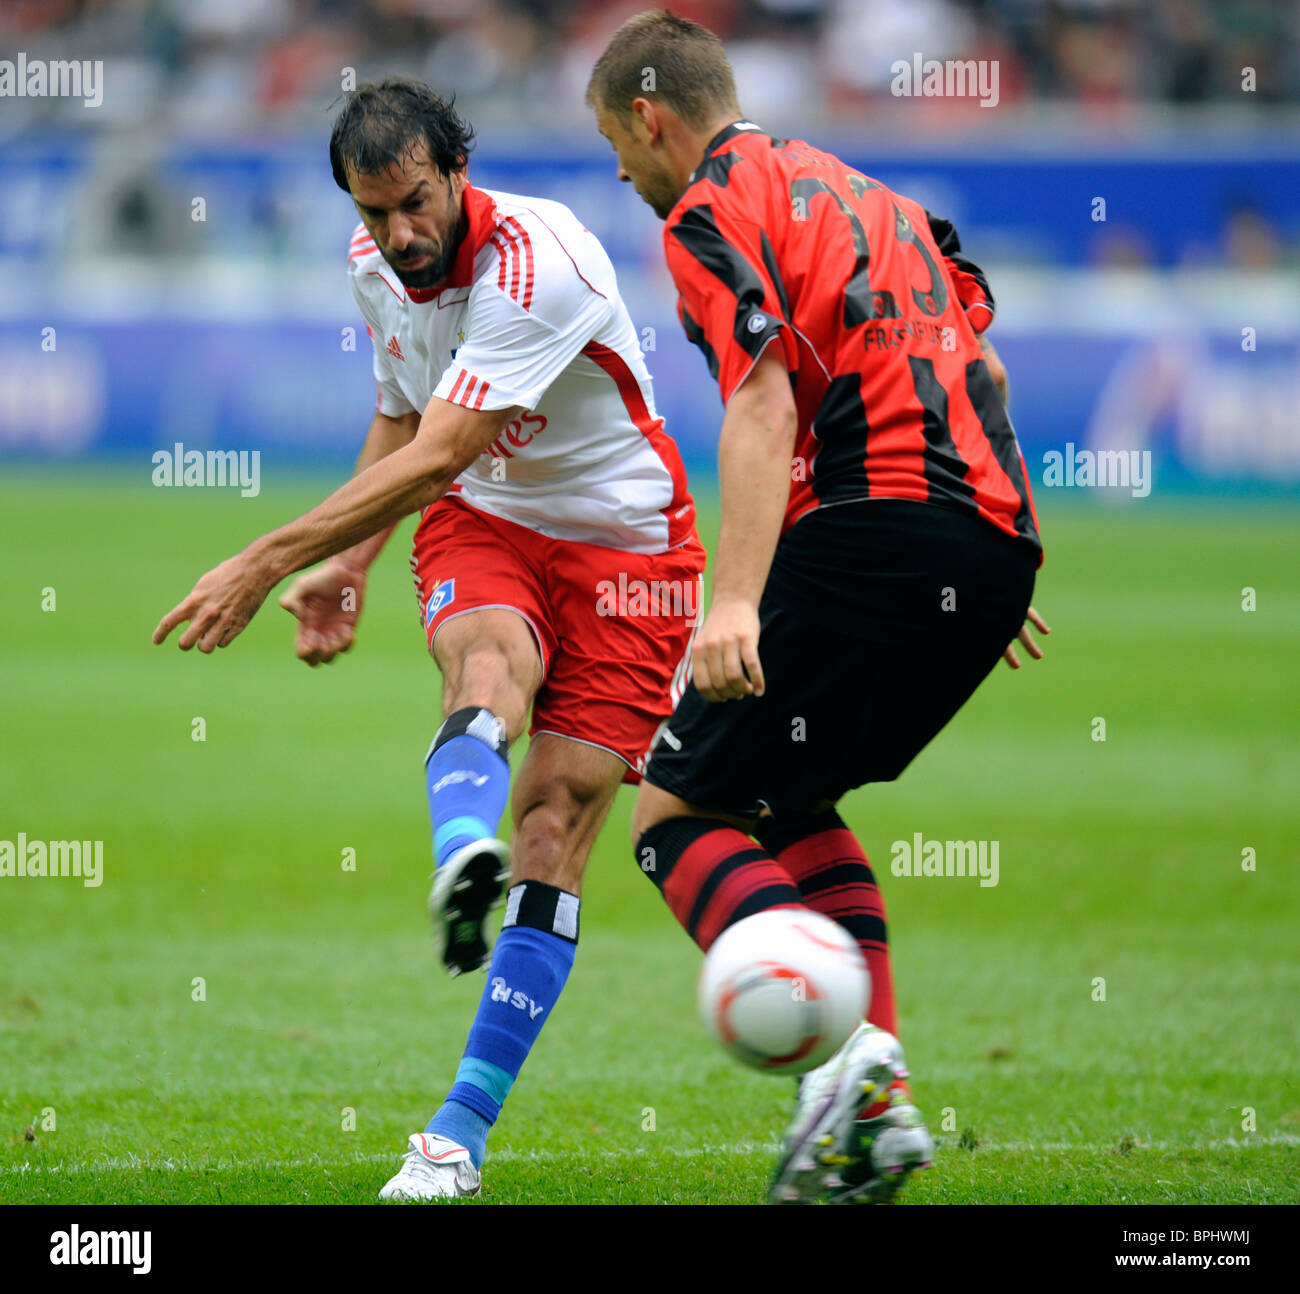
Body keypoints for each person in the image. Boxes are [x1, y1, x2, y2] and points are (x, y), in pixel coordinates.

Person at [153, 77, 704, 1201]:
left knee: (552, 822)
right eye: (372, 214)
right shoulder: (377, 274)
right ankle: (463, 849)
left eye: (413, 204)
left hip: (628, 550)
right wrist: (346, 565)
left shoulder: (536, 256)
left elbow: (441, 447)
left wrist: (264, 559)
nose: (398, 235)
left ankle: (455, 1136)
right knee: (487, 670)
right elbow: (404, 414)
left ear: (456, 172)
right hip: (490, 521)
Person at [587, 11, 1048, 1204]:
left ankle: (847, 1070)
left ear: (650, 117)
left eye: (615, 144)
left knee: (671, 814)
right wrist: (986, 557)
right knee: (785, 791)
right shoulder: (878, 197)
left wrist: (728, 602)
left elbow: (763, 403)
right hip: (989, 542)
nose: (620, 173)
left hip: (872, 528)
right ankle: (875, 1091)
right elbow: (981, 370)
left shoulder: (705, 210)